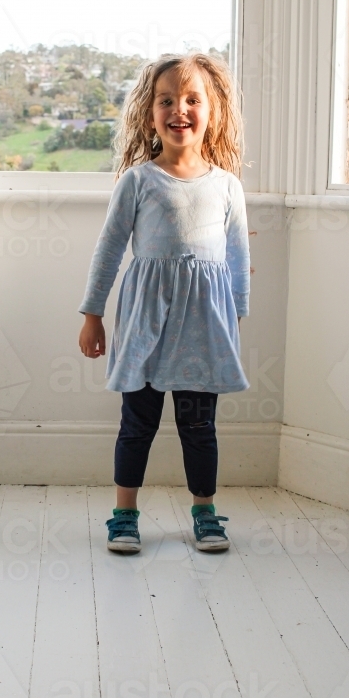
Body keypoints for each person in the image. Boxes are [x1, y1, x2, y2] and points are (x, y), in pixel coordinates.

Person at [78, 52, 250, 555]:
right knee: (137, 426)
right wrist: (92, 315)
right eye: (167, 100)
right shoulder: (138, 181)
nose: (180, 110)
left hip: (204, 330)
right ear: (150, 112)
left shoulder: (226, 186)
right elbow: (109, 250)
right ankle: (124, 515)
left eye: (193, 100)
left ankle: (205, 512)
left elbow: (238, 259)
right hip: (145, 328)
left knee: (200, 427)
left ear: (212, 111)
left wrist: (236, 318)